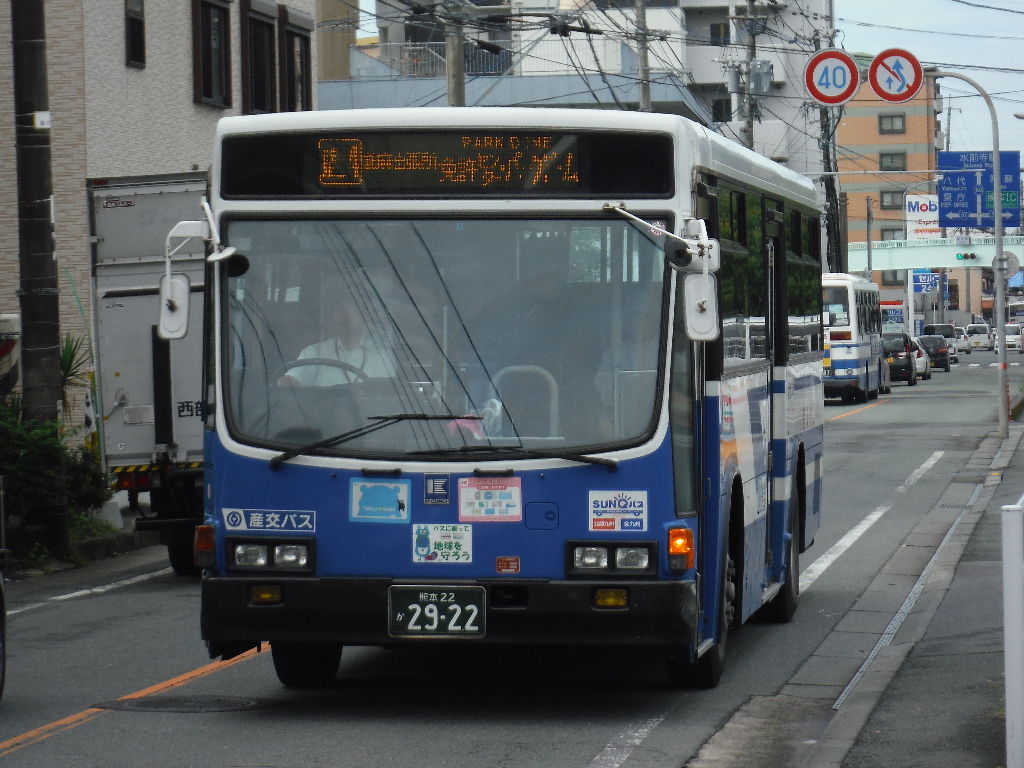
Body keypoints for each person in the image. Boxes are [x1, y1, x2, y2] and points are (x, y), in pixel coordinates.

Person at [278, 302, 394, 386]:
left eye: (351, 308)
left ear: (363, 316)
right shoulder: (315, 352)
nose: (345, 314)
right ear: (331, 318)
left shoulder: (382, 356)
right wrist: (287, 382)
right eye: (339, 308)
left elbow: (385, 397)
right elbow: (292, 379)